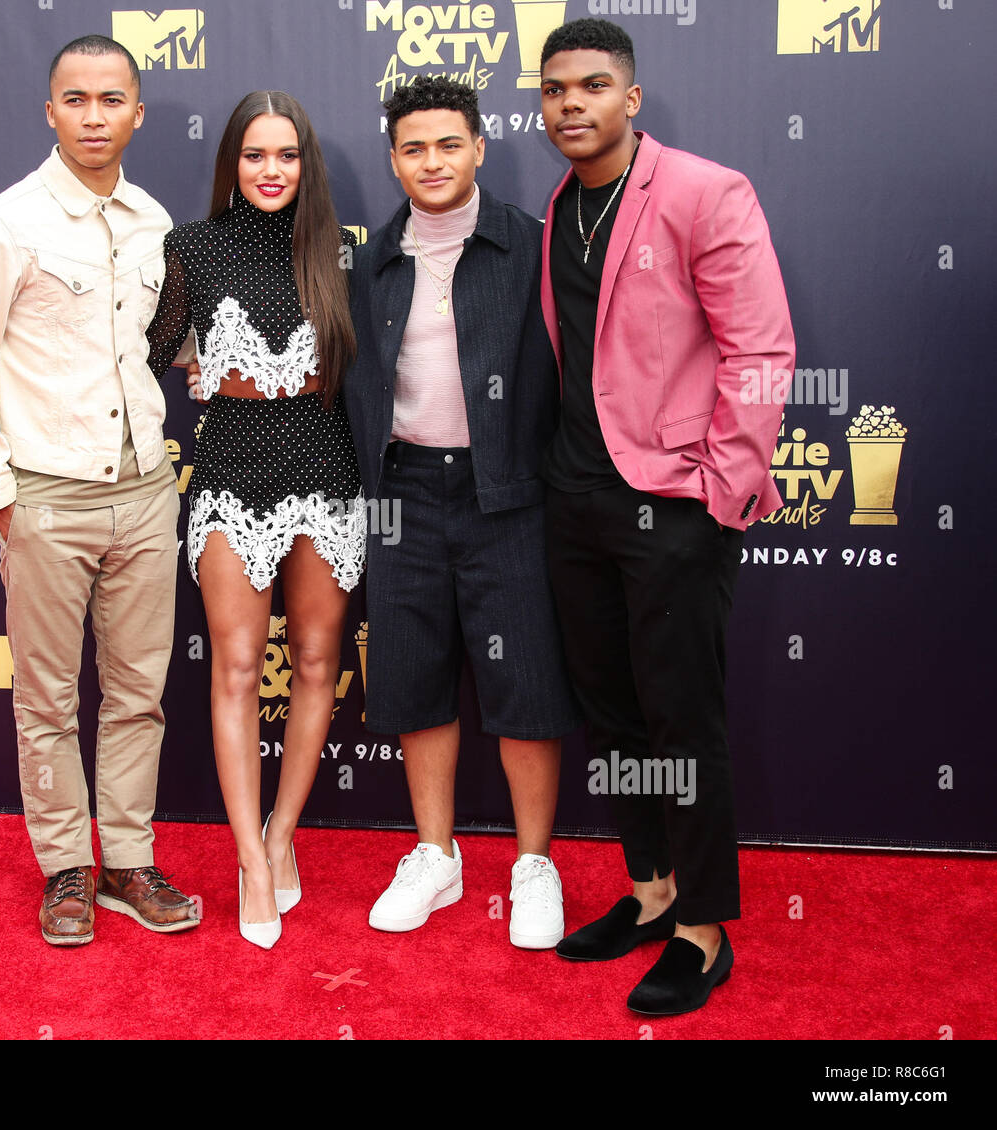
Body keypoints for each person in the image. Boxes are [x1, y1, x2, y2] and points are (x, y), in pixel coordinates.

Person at [537, 18, 794, 1013]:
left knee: (679, 715)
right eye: (556, 88)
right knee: (611, 709)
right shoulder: (560, 204)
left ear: (629, 98)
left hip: (676, 501)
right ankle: (648, 891)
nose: (572, 103)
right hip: (576, 500)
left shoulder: (703, 191)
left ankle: (702, 924)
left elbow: (762, 348)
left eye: (592, 85)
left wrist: (721, 490)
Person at [0, 35, 198, 946]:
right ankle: (65, 871)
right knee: (46, 700)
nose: (95, 115)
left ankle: (127, 858)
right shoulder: (5, 223)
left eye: (111, 99)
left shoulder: (154, 221)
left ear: (137, 110)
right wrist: (3, 503)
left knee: (139, 692)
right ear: (50, 110)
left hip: (145, 488)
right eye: (76, 99)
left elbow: (161, 351)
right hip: (45, 496)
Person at [343, 77, 581, 951]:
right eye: (413, 148)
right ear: (395, 158)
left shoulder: (531, 244)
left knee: (525, 683)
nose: (432, 162)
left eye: (449, 144)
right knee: (412, 674)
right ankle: (435, 856)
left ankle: (532, 865)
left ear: (481, 147)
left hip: (508, 495)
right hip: (403, 493)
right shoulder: (372, 259)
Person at [146, 91, 361, 950]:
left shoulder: (341, 253)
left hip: (326, 464)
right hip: (232, 467)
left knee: (316, 661)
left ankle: (281, 833)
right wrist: (203, 363)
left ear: (306, 163)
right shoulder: (189, 249)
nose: (271, 170)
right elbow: (156, 350)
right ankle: (247, 858)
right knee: (236, 668)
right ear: (231, 162)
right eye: (254, 155)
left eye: (287, 155)